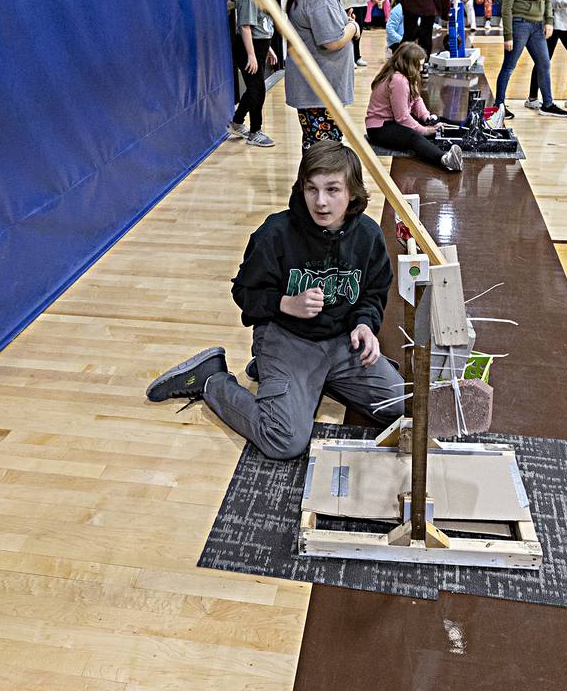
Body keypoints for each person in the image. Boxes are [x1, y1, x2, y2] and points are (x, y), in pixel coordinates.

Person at [146, 141, 407, 460]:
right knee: (285, 440)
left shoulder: (368, 236)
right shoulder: (275, 233)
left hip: (340, 341)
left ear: (352, 192)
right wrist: (286, 304)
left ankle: (304, 381)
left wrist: (365, 324)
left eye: (332, 189)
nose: (321, 202)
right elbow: (244, 293)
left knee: (400, 406)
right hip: (287, 338)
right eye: (311, 189)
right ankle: (210, 380)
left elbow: (374, 290)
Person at [284, 0, 358, 148]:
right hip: (319, 90)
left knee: (317, 147)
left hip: (319, 88)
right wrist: (352, 28)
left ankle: (308, 182)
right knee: (324, 150)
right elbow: (332, 41)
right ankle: (312, 183)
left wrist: (344, 19)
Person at [364, 42, 462, 171]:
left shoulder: (406, 75)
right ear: (409, 64)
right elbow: (402, 117)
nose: (421, 69)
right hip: (379, 128)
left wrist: (427, 117)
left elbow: (416, 99)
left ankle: (465, 127)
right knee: (413, 135)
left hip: (392, 121)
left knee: (438, 122)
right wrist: (424, 130)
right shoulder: (399, 80)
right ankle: (445, 160)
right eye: (419, 65)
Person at [494, 0, 558, 117]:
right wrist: (508, 35)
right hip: (519, 24)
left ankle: (547, 104)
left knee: (544, 65)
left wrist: (549, 21)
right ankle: (500, 106)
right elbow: (506, 7)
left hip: (538, 27)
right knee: (509, 66)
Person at [227, 0, 280, 148]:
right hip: (248, 49)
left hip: (260, 47)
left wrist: (269, 49)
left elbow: (262, 25)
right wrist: (251, 55)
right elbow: (246, 26)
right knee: (258, 89)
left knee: (253, 88)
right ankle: (254, 132)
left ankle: (237, 122)